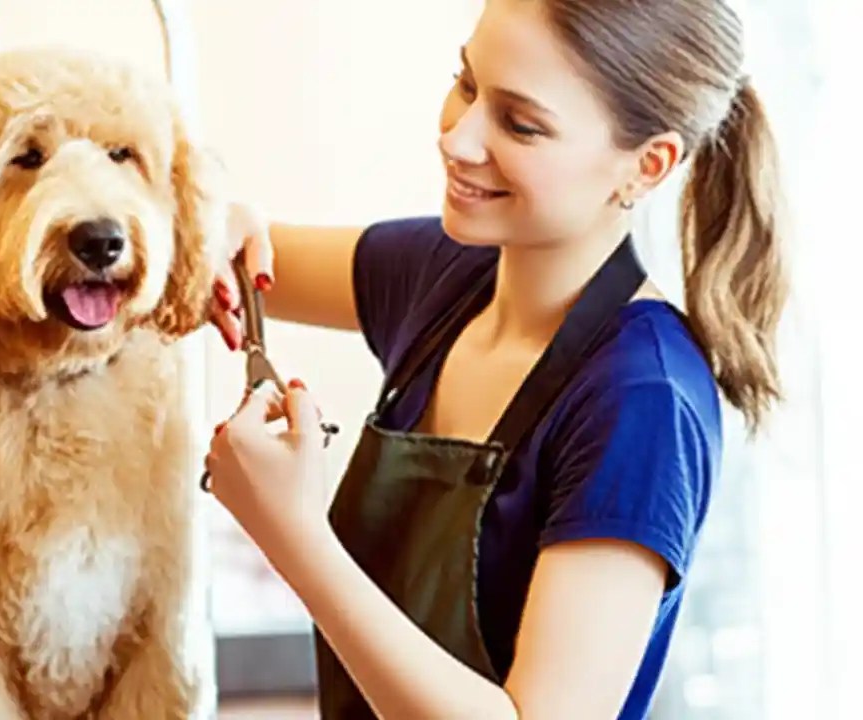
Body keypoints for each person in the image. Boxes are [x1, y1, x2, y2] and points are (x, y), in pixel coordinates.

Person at [200, 0, 789, 718]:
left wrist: (292, 536)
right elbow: (230, 252)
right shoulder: (444, 275)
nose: (458, 137)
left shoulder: (643, 401)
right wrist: (214, 222)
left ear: (647, 166)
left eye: (520, 124)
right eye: (467, 83)